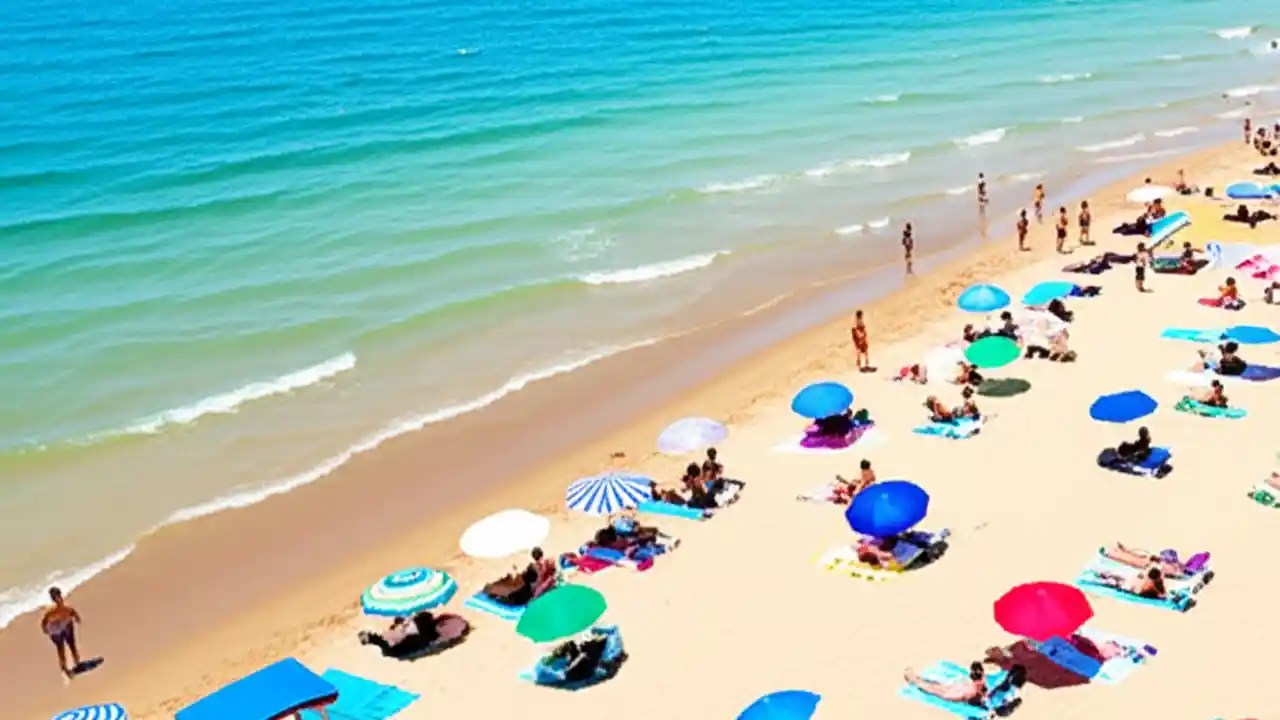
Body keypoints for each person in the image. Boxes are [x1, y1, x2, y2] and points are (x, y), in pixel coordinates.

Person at [40, 587, 82, 680]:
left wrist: (45, 630)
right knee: (66, 647)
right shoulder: (51, 611)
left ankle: (70, 666)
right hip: (59, 629)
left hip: (61, 627)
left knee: (65, 647)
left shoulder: (51, 611)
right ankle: (70, 666)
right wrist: (76, 618)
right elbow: (44, 622)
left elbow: (44, 623)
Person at [904, 661, 988, 705]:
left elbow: (975, 698)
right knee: (938, 687)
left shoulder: (976, 689)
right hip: (960, 689)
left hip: (959, 693)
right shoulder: (981, 681)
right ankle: (917, 680)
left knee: (936, 689)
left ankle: (915, 681)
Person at [1101, 542, 1196, 579]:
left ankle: (1112, 553)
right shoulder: (1176, 566)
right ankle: (1118, 552)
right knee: (1141, 558)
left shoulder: (1174, 567)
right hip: (1153, 564)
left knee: (1137, 560)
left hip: (1150, 566)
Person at [1090, 566, 1167, 600]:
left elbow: (1138, 590)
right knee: (1116, 578)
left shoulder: (1152, 584)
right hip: (1129, 585)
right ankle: (1103, 574)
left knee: (1113, 581)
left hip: (1128, 587)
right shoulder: (1155, 583)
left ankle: (1102, 575)